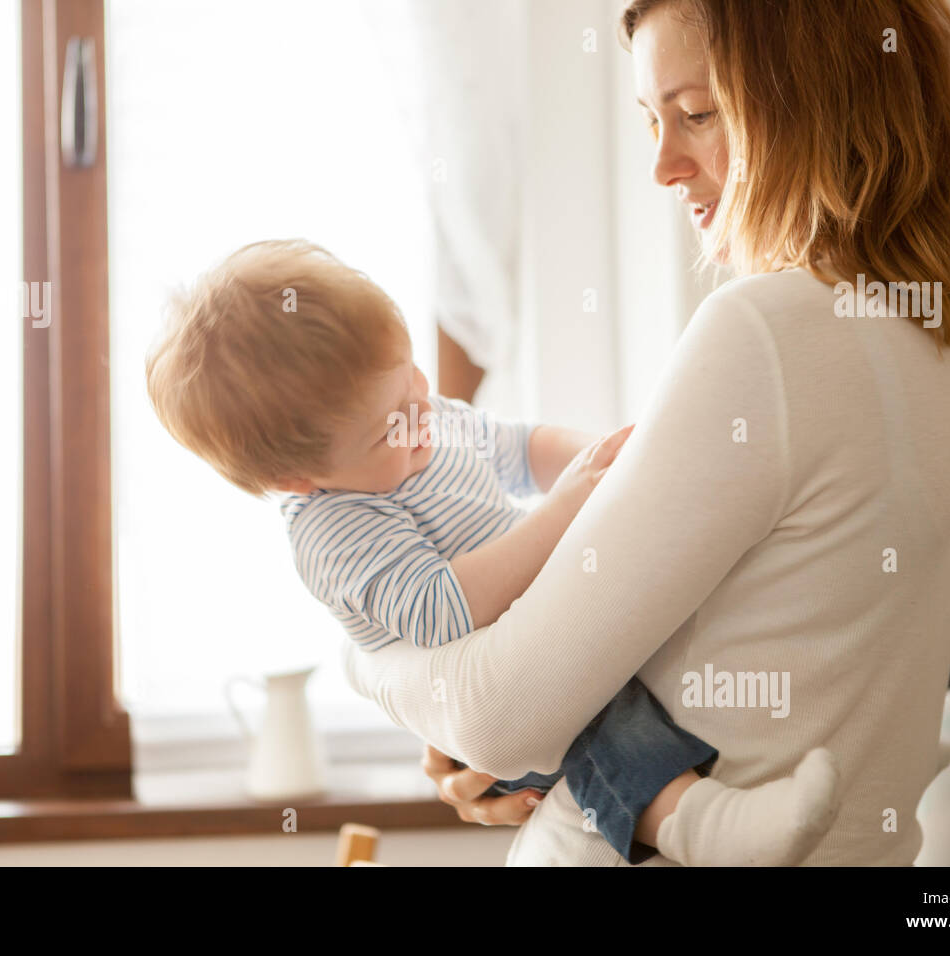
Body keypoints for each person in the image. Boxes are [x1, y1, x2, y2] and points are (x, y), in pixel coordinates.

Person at [340, 0, 950, 865]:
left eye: (697, 113)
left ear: (818, 96)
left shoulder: (766, 331)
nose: (663, 164)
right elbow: (745, 697)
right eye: (652, 121)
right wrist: (536, 760)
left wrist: (368, 665)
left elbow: (500, 715)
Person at [144, 236, 842, 865]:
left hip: (538, 631)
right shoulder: (335, 530)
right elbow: (444, 611)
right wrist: (568, 508)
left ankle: (819, 734)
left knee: (662, 646)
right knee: (598, 718)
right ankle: (703, 826)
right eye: (391, 425)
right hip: (503, 710)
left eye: (411, 375)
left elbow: (516, 447)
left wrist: (622, 462)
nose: (422, 408)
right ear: (297, 479)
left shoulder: (413, 418)